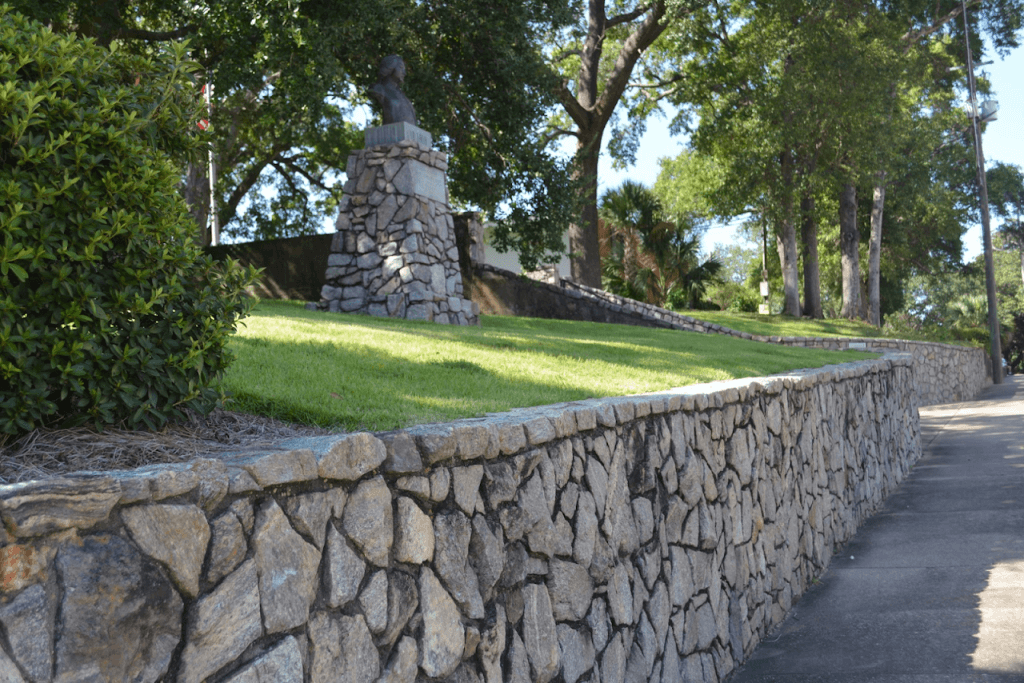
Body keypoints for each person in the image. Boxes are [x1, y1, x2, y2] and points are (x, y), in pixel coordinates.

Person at [370, 55, 417, 126]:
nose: (404, 73)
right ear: (390, 67)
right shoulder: (379, 89)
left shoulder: (403, 96)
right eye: (401, 68)